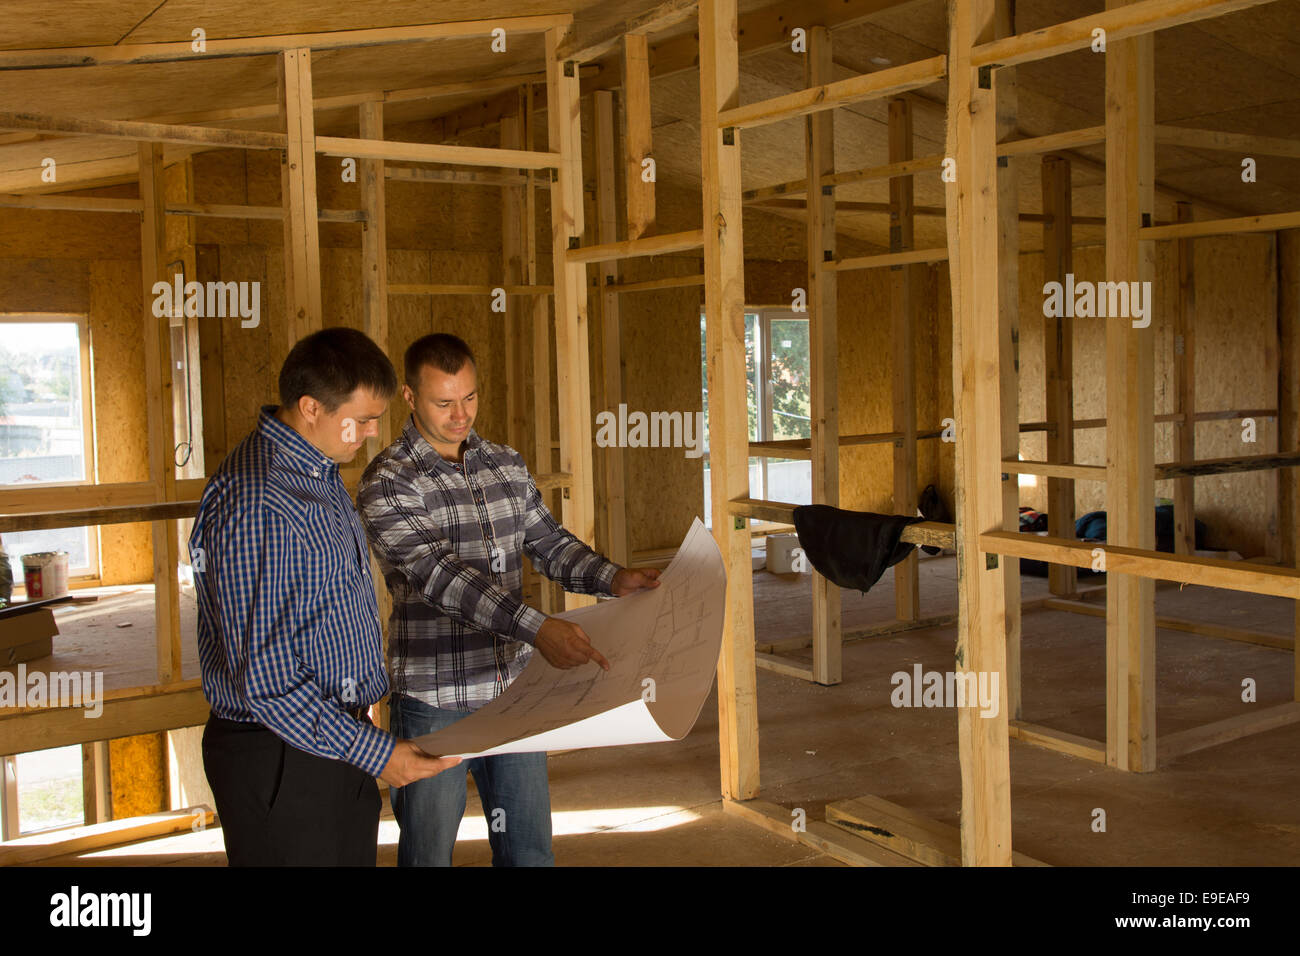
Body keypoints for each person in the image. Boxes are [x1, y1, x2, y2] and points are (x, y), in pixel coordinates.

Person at [357, 332, 660, 867]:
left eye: (470, 398)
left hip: (514, 692)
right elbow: (440, 576)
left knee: (528, 852)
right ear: (409, 397)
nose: (460, 415)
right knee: (427, 855)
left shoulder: (504, 464)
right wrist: (537, 628)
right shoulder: (388, 481)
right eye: (443, 402)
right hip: (434, 700)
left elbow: (548, 543)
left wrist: (612, 579)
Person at [191, 327, 461, 866]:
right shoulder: (261, 501)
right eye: (360, 420)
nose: (370, 432)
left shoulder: (314, 470)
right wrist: (377, 754)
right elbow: (266, 681)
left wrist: (363, 714)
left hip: (328, 737)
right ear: (311, 406)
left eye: (374, 418)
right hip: (279, 753)